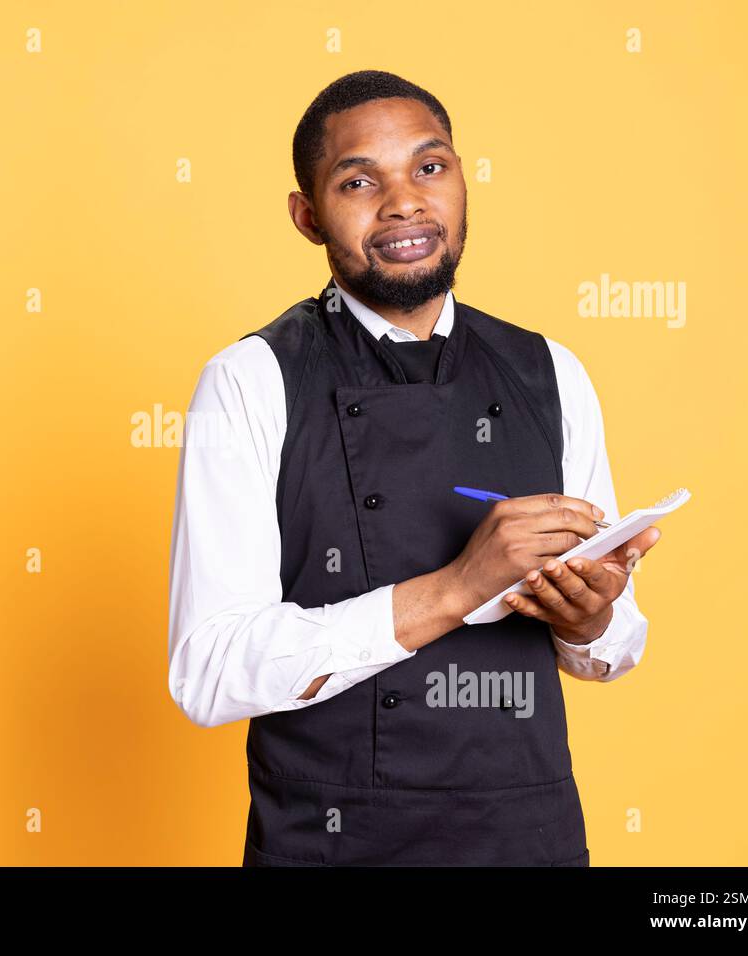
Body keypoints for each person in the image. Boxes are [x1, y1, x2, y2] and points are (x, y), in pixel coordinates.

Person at [166, 70, 662, 866]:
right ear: (306, 216)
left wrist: (590, 615)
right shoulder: (252, 380)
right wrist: (461, 585)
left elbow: (614, 644)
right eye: (359, 180)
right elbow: (211, 670)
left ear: (462, 180)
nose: (403, 202)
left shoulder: (550, 372)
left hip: (526, 833)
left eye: (429, 168)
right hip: (335, 840)